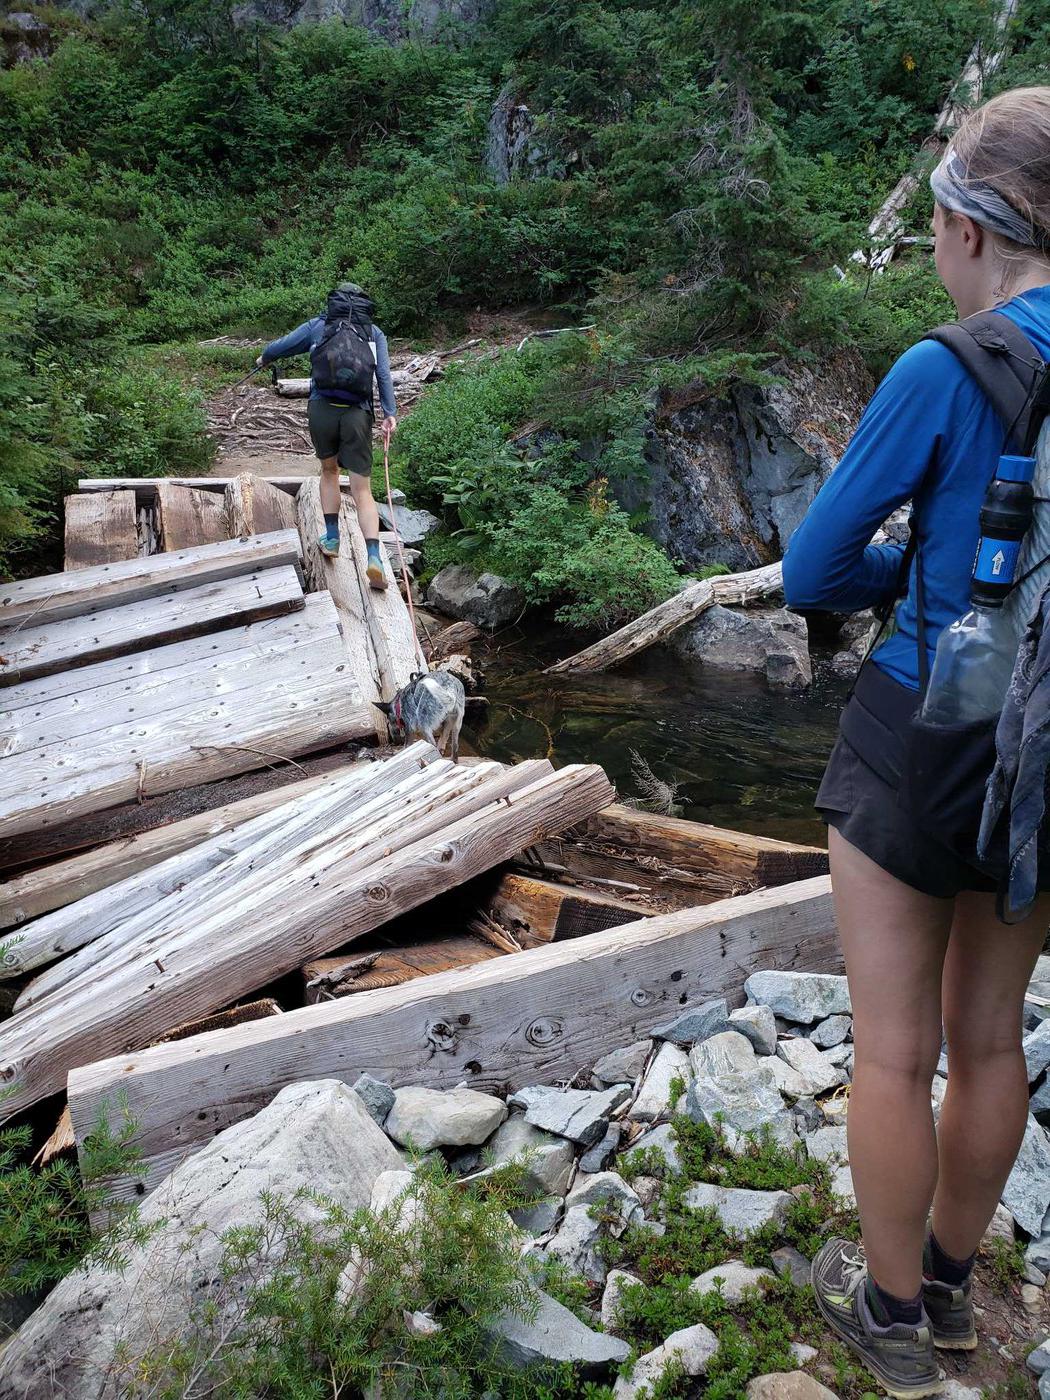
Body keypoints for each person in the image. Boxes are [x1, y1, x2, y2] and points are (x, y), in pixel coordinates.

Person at [782, 87, 1050, 1399]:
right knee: (991, 1038)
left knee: (893, 1047)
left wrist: (911, 566)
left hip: (918, 736)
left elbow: (813, 570)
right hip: (1046, 753)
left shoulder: (942, 369)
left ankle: (886, 1315)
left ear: (966, 228)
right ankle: (950, 1289)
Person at [258, 282, 398, 586]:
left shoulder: (319, 325)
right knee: (362, 489)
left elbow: (281, 346)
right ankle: (374, 558)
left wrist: (264, 358)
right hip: (357, 413)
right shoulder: (373, 333)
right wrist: (390, 413)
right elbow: (383, 375)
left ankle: (332, 539)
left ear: (334, 302)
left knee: (329, 471)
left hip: (321, 409)